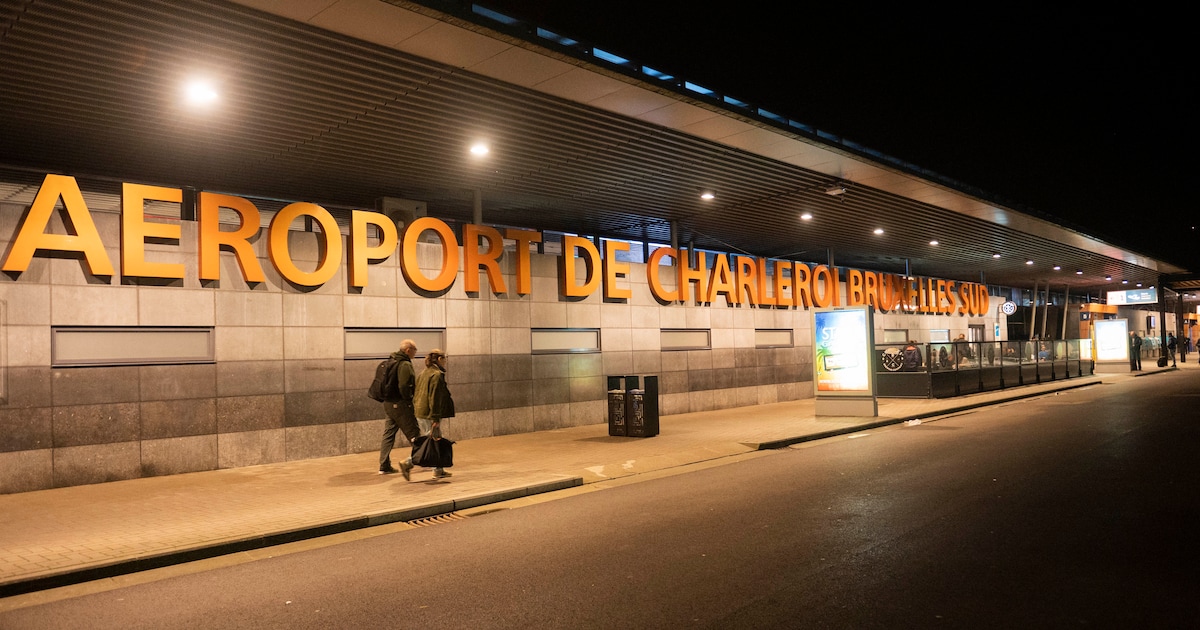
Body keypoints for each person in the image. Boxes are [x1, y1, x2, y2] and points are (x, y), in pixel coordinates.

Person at [413, 349, 456, 480]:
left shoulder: (423, 373)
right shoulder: (436, 375)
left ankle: (438, 470)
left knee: (433, 439)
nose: (445, 362)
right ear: (439, 359)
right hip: (429, 413)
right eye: (444, 359)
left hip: (420, 411)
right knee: (432, 440)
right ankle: (408, 462)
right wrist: (435, 417)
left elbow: (417, 393)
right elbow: (435, 398)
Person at [379, 339, 419, 477]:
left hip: (388, 403)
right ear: (408, 350)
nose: (415, 352)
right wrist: (408, 399)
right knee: (414, 434)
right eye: (415, 349)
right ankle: (424, 460)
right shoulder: (405, 364)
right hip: (401, 404)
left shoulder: (391, 360)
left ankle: (384, 466)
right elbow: (404, 386)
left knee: (388, 434)